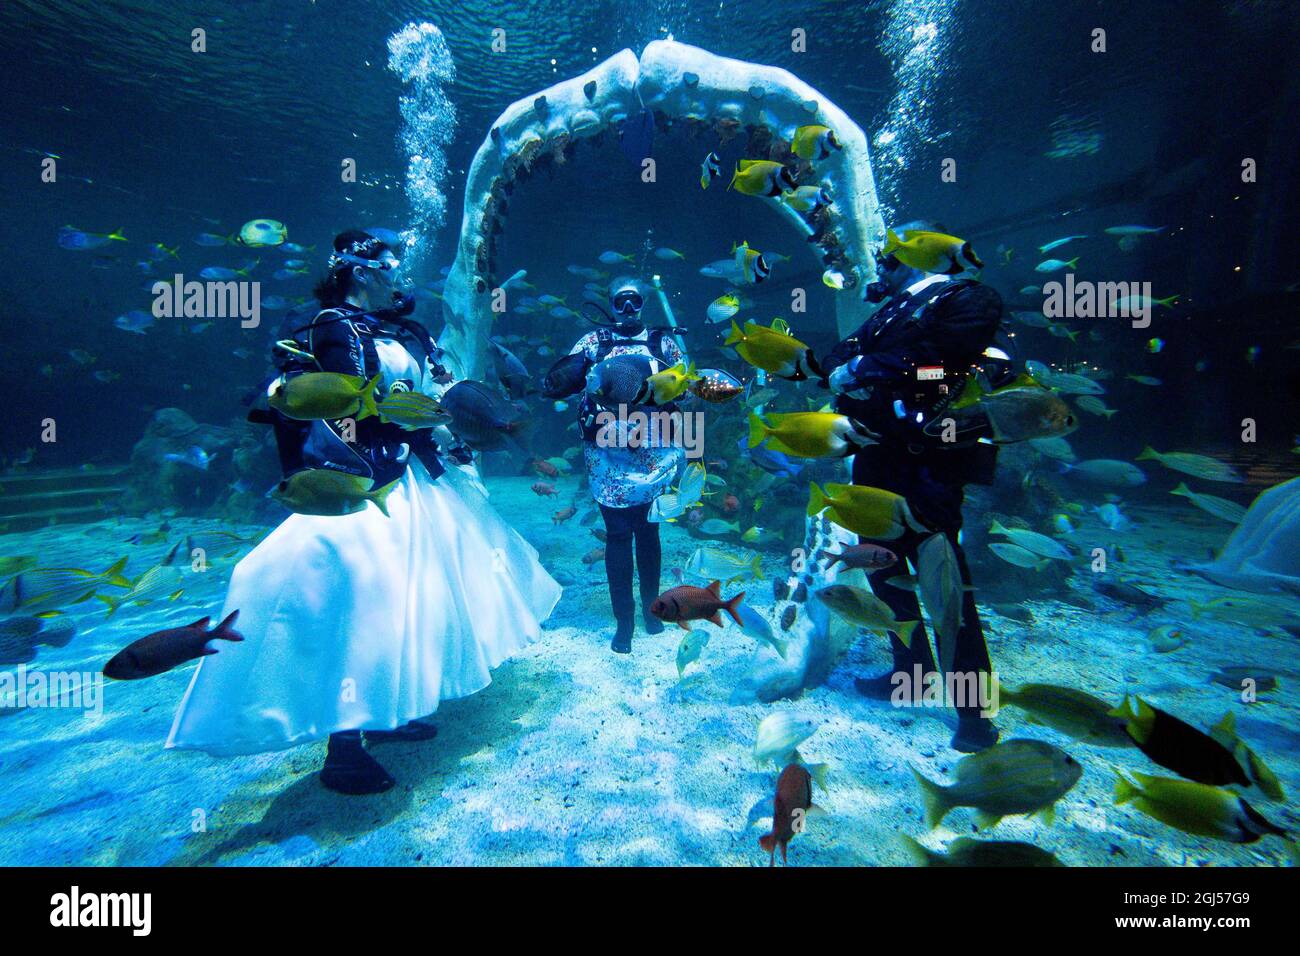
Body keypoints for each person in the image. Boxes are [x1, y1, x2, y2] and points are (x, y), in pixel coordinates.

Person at [167, 231, 561, 794]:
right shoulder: (334, 325)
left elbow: (433, 391)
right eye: (389, 265)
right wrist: (398, 431)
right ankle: (342, 749)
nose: (399, 275)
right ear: (358, 270)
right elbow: (342, 405)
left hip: (413, 474)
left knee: (412, 596)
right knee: (358, 601)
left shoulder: (402, 328)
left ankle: (383, 712)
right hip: (364, 478)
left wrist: (452, 429)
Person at [821, 222, 1010, 753]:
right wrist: (856, 365)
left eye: (891, 256)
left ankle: (973, 715)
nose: (881, 266)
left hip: (931, 466)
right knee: (884, 572)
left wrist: (865, 367)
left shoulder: (967, 297)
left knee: (943, 583)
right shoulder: (890, 311)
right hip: (876, 458)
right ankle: (912, 673)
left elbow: (941, 363)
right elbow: (838, 355)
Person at [562, 278, 686, 654]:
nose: (628, 310)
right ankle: (624, 623)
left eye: (634, 302)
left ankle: (653, 611)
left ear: (643, 304)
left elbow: (683, 382)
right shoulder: (592, 343)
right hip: (607, 454)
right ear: (611, 305)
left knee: (649, 534)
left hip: (655, 451)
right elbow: (568, 382)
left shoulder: (663, 342)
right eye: (621, 303)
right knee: (618, 535)